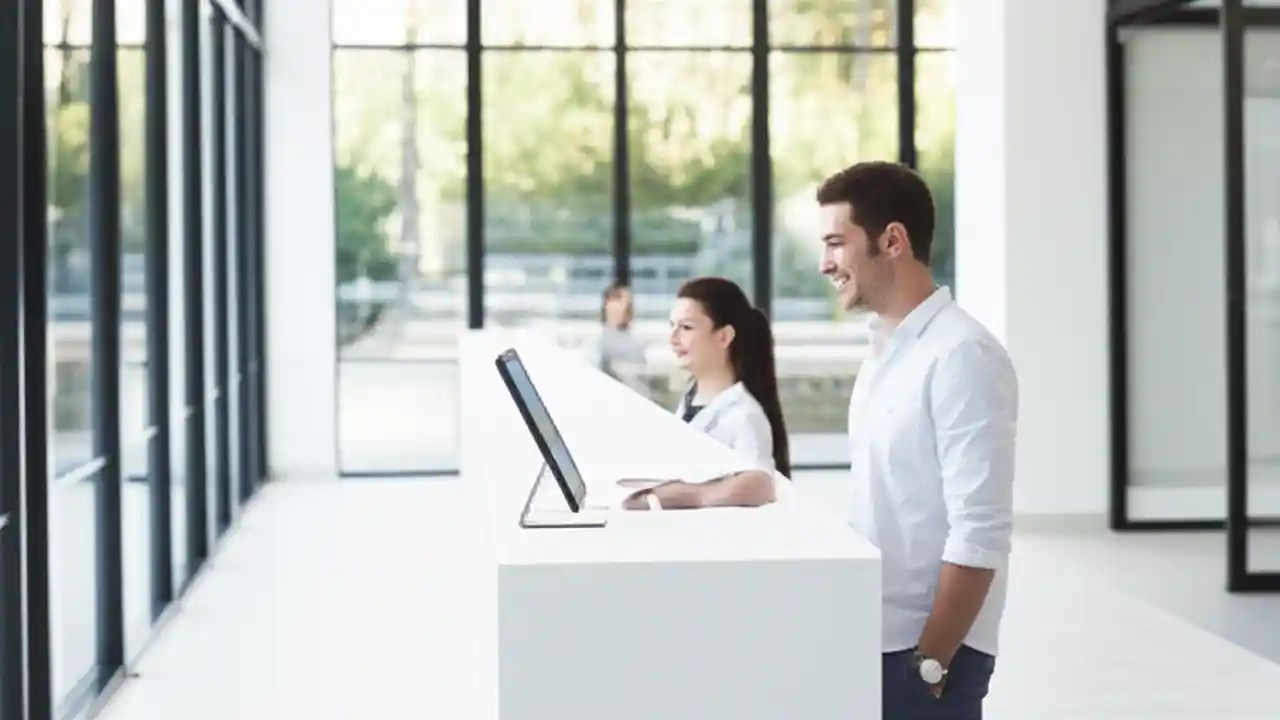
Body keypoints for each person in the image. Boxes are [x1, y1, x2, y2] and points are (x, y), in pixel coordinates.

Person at [817, 161, 1017, 719]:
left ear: (892, 240)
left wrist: (929, 667)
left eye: (836, 243)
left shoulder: (962, 356)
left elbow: (980, 533)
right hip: (879, 639)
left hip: (928, 656)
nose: (824, 263)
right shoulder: (885, 351)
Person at [620, 277, 789, 511]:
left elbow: (761, 486)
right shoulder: (691, 401)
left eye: (687, 327)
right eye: (672, 326)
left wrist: (678, 496)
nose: (673, 338)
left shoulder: (744, 416)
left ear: (723, 337)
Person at [584, 282, 647, 390]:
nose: (625, 308)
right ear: (608, 304)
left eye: (629, 306)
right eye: (619, 301)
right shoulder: (598, 341)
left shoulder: (636, 342)